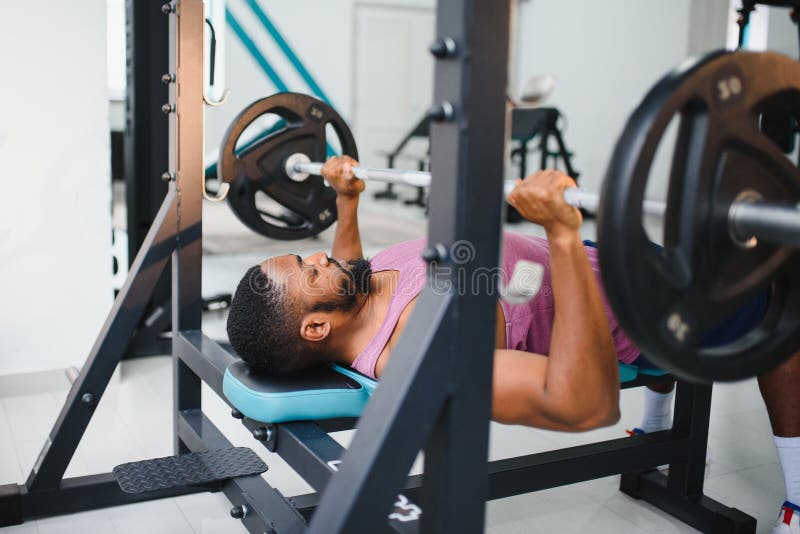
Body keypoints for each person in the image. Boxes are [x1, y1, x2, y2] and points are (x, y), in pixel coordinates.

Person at [226, 157, 800, 531]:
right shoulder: (424, 351)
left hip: (594, 260)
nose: (322, 255)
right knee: (785, 310)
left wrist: (346, 202)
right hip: (640, 307)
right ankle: (798, 500)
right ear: (316, 329)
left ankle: (655, 430)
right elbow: (585, 403)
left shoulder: (353, 295)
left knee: (712, 247)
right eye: (308, 269)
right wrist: (561, 232)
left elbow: (348, 261)